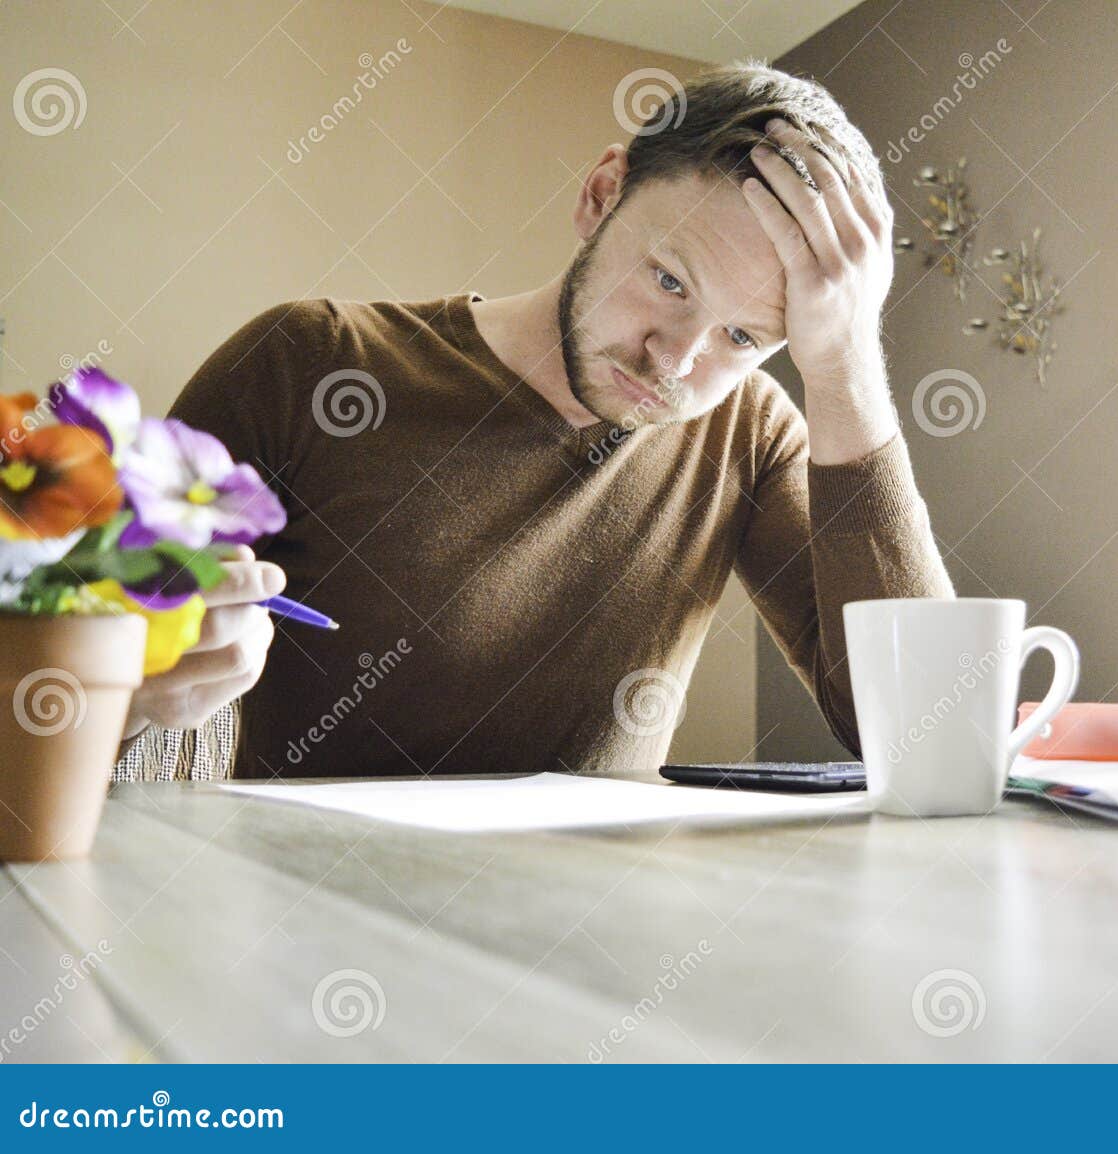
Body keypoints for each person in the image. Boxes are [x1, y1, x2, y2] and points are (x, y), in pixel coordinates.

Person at [114, 61, 953, 782]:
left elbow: (925, 734)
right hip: (314, 932)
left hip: (592, 946)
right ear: (600, 196)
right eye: (668, 280)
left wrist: (843, 360)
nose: (677, 360)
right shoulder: (307, 361)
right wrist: (137, 686)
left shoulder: (750, 432)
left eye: (743, 335)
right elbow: (46, 677)